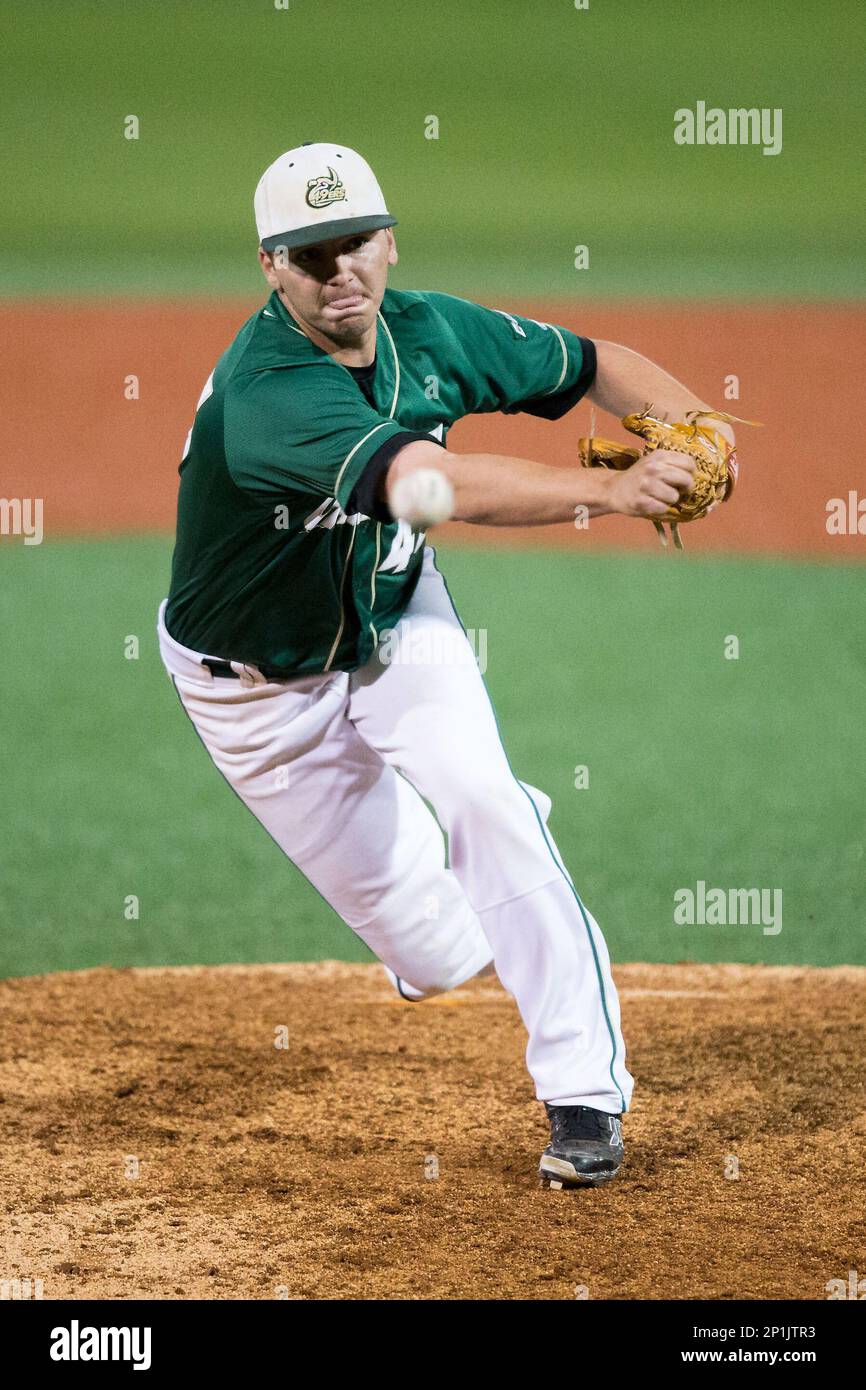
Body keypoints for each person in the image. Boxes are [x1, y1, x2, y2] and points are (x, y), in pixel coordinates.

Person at [157, 142, 734, 1189]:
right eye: (310, 252)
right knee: (433, 957)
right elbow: (433, 486)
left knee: (483, 802)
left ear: (387, 242)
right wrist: (609, 493)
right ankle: (507, 859)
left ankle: (583, 1097)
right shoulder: (267, 393)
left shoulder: (426, 329)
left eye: (356, 245)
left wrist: (687, 426)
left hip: (392, 615)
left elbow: (588, 360)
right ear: (270, 267)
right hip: (255, 690)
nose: (341, 272)